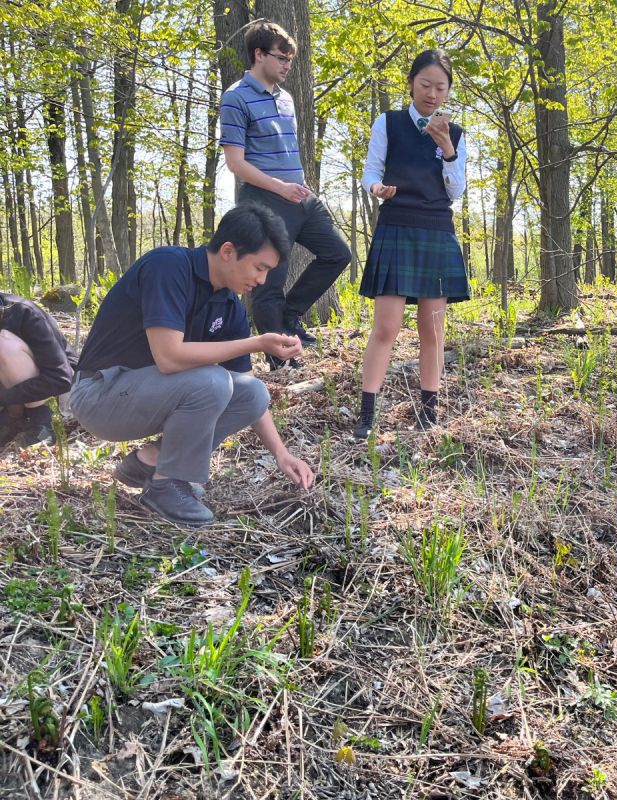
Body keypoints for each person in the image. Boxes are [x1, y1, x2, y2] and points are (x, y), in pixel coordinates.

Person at [70, 205, 314, 527]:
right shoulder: (169, 266)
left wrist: (282, 454)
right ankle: (166, 486)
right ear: (228, 251)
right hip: (100, 396)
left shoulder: (230, 305)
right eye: (259, 267)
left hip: (146, 395)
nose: (262, 279)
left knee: (252, 393)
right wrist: (256, 343)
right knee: (213, 380)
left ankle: (149, 463)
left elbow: (247, 392)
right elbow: (168, 357)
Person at [219, 20, 351, 368]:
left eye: (291, 59)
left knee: (338, 254)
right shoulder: (236, 97)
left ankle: (291, 316)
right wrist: (280, 187)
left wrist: (295, 189)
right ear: (259, 55)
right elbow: (235, 163)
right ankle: (280, 360)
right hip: (265, 200)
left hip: (300, 198)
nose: (287, 66)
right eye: (281, 58)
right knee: (268, 283)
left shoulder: (287, 98)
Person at [355, 49, 470, 436]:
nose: (432, 94)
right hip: (397, 224)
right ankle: (366, 414)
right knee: (385, 328)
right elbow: (372, 168)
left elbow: (455, 191)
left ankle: (429, 413)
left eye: (441, 87)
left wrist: (448, 149)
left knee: (432, 330)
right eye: (425, 84)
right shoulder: (388, 122)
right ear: (411, 83)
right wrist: (376, 188)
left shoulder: (455, 132)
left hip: (436, 229)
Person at [0, 293, 78, 447]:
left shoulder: (23, 312)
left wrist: (3, 397)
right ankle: (11, 422)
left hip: (64, 392)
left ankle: (44, 424)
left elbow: (61, 378)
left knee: (4, 345)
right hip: (15, 397)